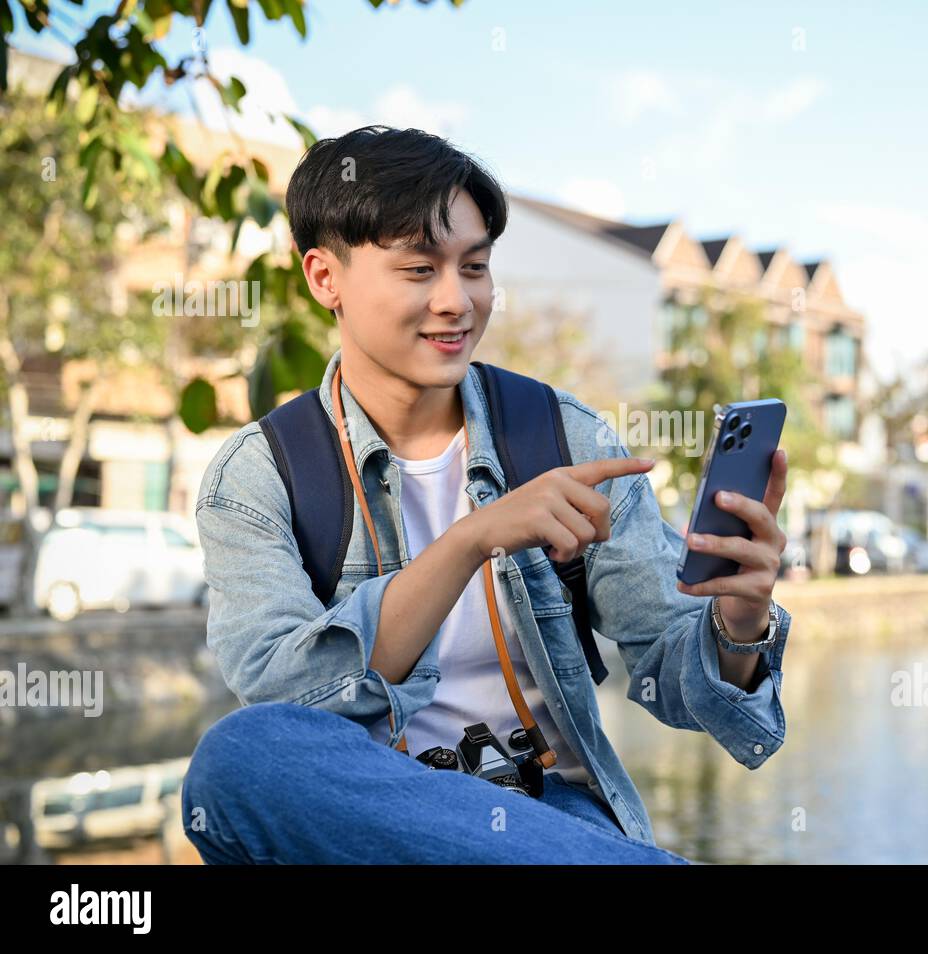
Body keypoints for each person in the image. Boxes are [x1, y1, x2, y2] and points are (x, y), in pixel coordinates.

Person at [182, 125, 793, 864]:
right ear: (324, 279)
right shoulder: (260, 474)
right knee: (239, 759)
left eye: (473, 268)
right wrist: (473, 538)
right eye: (418, 269)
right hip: (372, 826)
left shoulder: (562, 436)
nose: (456, 301)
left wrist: (739, 621)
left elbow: (680, 680)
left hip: (548, 822)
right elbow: (296, 698)